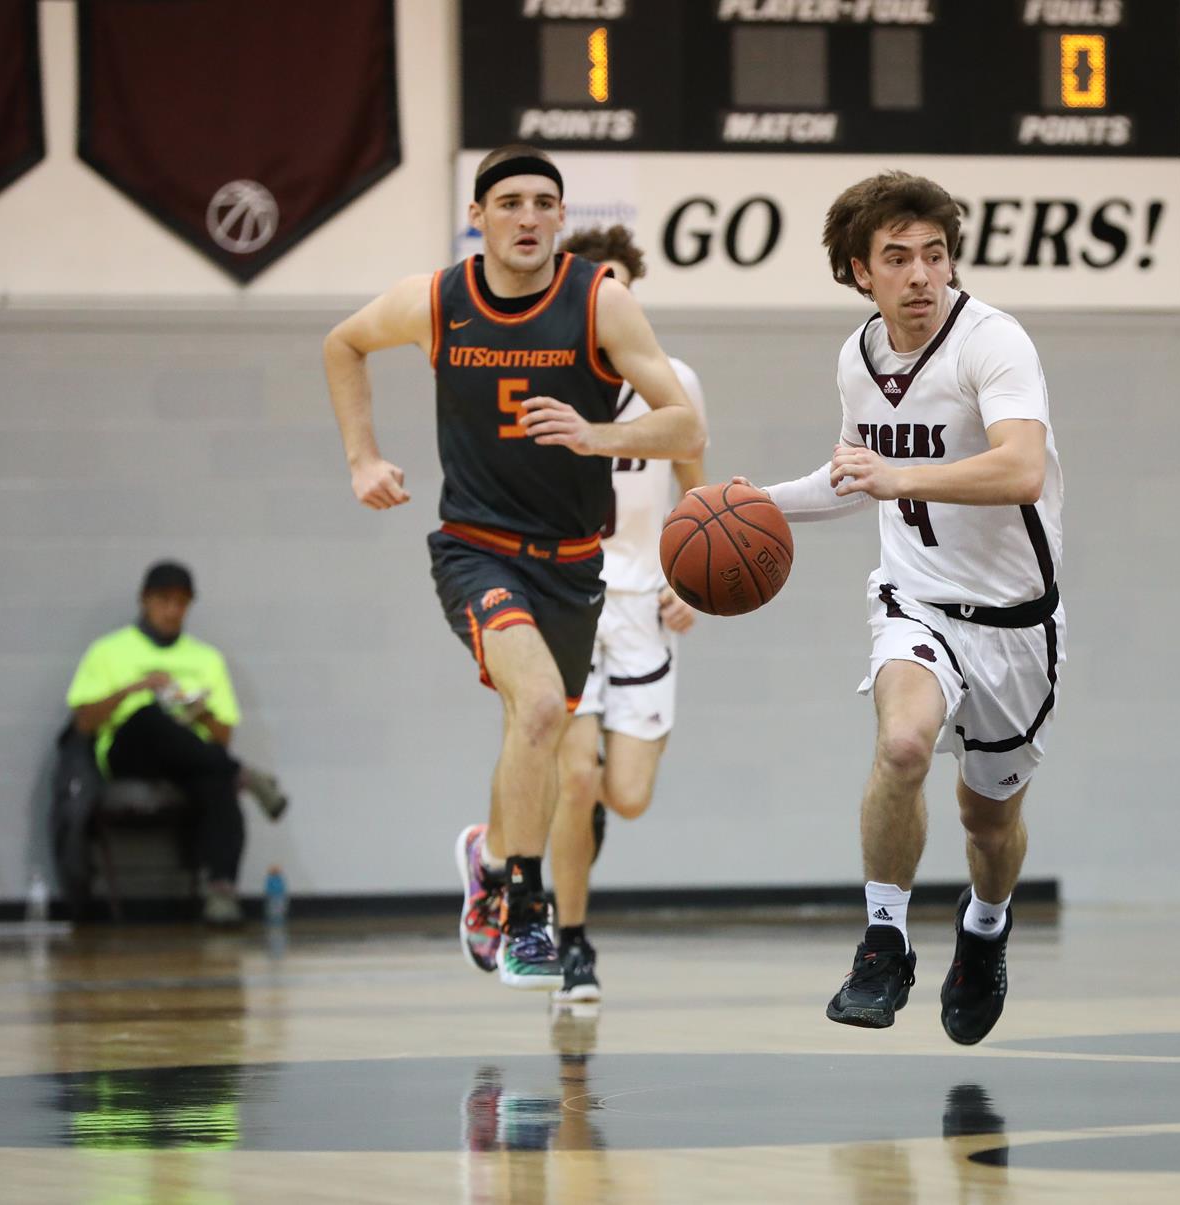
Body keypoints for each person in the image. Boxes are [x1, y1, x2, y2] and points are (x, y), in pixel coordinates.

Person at [321, 145, 705, 990]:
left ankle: (489, 858)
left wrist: (595, 434)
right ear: (478, 216)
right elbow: (343, 343)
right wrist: (362, 458)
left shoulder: (600, 302)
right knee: (536, 709)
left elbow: (687, 431)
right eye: (509, 202)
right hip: (478, 549)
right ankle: (529, 915)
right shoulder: (438, 299)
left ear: (561, 217)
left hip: (574, 564)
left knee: (536, 731)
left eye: (542, 202)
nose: (527, 217)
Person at [743, 171, 1064, 1043]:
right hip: (915, 598)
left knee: (988, 823)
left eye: (935, 254)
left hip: (1016, 620)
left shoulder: (993, 342)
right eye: (897, 257)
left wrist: (901, 476)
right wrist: (753, 504)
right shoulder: (858, 357)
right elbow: (857, 477)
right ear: (861, 271)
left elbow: (1021, 469)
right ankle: (884, 942)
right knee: (903, 743)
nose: (921, 273)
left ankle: (985, 927)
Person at [542, 224, 708, 1003]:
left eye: (621, 286)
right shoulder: (543, 380)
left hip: (643, 604)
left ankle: (579, 827)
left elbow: (698, 494)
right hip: (565, 598)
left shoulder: (675, 381)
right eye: (595, 286)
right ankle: (571, 941)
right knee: (576, 779)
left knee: (627, 796)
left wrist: (692, 581)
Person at [63, 560, 287, 925]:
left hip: (190, 759)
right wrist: (136, 688)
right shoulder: (108, 651)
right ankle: (244, 775)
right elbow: (84, 723)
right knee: (150, 715)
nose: (172, 610)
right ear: (145, 600)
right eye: (163, 600)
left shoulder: (207, 659)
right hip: (128, 751)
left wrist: (195, 711)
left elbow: (222, 738)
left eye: (181, 602)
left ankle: (221, 894)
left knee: (217, 780)